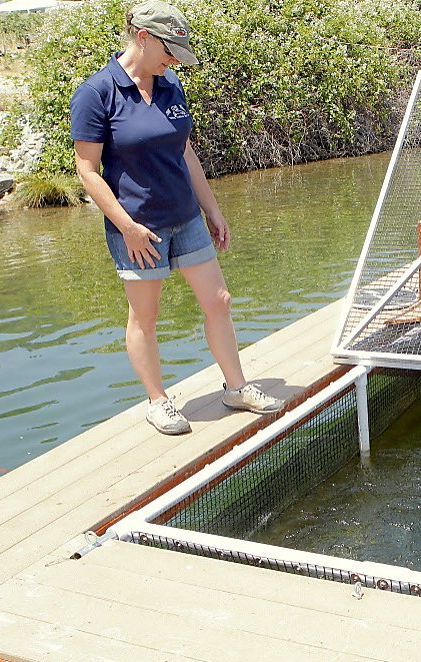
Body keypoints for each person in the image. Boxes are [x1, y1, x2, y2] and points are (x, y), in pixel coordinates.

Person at [70, 0, 283, 435]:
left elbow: (185, 152)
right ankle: (158, 401)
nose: (173, 61)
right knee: (145, 317)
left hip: (184, 216)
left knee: (218, 301)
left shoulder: (170, 86)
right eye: (169, 51)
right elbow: (87, 172)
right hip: (138, 227)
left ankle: (236, 387)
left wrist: (212, 209)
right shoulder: (97, 93)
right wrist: (126, 227)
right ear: (143, 38)